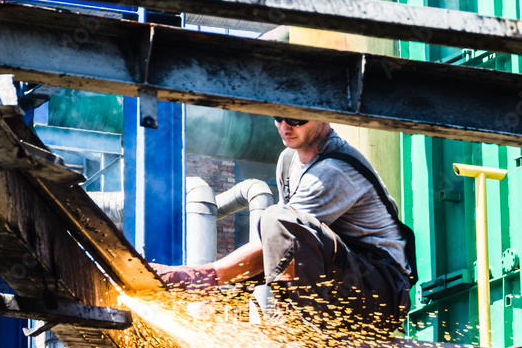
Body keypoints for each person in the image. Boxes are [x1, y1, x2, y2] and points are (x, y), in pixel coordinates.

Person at [153, 117, 415, 333]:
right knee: (250, 263)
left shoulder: (334, 171)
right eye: (278, 117)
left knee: (277, 220)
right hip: (344, 281)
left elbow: (282, 235)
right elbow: (278, 251)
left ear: (324, 115)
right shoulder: (288, 161)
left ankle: (304, 334)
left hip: (381, 296)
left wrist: (199, 277)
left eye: (296, 119)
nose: (285, 127)